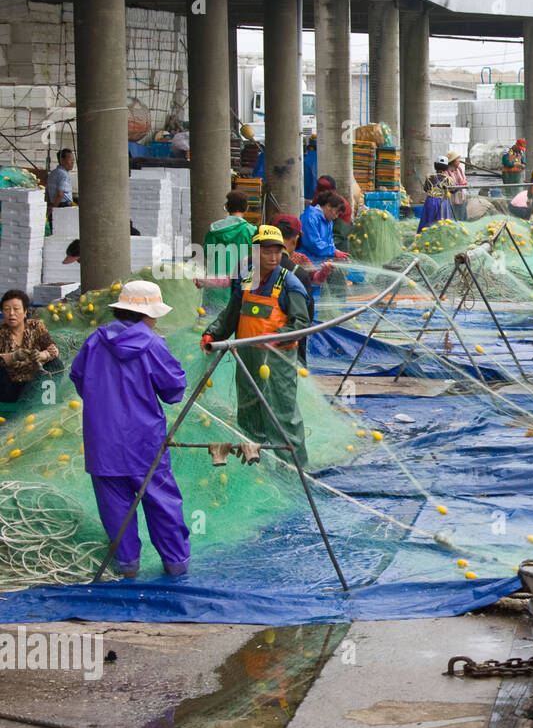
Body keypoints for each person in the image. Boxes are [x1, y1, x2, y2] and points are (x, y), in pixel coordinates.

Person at [69, 280, 190, 578]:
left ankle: (127, 568)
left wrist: (104, 404)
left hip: (102, 443)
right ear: (147, 314)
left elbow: (79, 378)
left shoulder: (94, 341)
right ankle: (176, 567)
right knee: (163, 506)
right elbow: (174, 391)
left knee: (115, 510)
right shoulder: (153, 343)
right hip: (144, 443)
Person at [201, 224, 311, 466]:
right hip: (247, 358)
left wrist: (277, 336)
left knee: (282, 417)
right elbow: (232, 314)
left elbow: (302, 323)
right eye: (266, 251)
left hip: (275, 363)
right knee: (249, 415)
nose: (273, 257)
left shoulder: (289, 283)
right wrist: (212, 334)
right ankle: (257, 468)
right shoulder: (247, 277)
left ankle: (293, 472)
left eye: (277, 252)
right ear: (254, 252)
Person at [0, 289, 58, 403]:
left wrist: (42, 355)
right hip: (8, 386)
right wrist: (13, 356)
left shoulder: (36, 327)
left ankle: (48, 402)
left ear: (25, 311)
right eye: (7, 309)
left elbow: (53, 349)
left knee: (56, 363)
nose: (11, 313)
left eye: (16, 309)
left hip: (34, 383)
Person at [203, 191, 256, 277]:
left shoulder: (214, 230)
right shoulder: (251, 231)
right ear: (247, 208)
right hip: (241, 280)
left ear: (227, 207)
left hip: (215, 280)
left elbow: (207, 254)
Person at [298, 192, 350, 266]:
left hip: (319, 264)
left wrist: (335, 251)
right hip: (306, 262)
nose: (336, 216)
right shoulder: (310, 217)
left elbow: (330, 242)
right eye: (336, 212)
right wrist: (334, 252)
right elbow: (313, 243)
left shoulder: (329, 222)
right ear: (328, 206)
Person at [447, 151, 469, 221]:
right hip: (451, 199)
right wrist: (459, 185)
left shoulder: (459, 169)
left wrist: (462, 184)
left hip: (461, 197)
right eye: (457, 160)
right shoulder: (447, 171)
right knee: (452, 218)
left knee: (462, 217)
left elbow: (464, 180)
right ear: (453, 161)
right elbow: (451, 186)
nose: (459, 161)